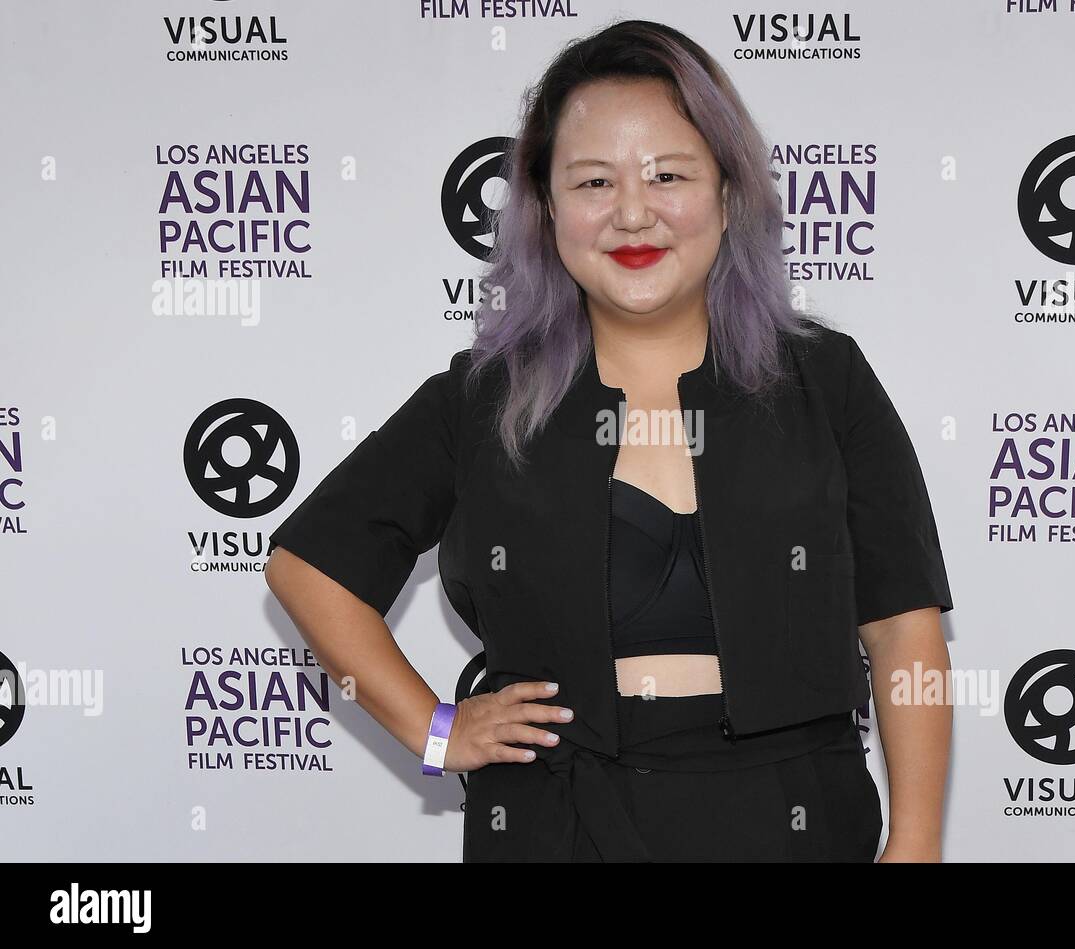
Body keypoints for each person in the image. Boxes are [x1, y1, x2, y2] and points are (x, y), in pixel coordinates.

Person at [265, 18, 954, 863]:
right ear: (548, 206)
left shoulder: (827, 379)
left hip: (796, 817)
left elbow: (903, 630)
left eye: (669, 174)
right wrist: (435, 730)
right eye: (593, 181)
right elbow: (309, 564)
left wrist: (916, 844)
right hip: (561, 825)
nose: (633, 212)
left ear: (729, 193)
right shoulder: (485, 398)